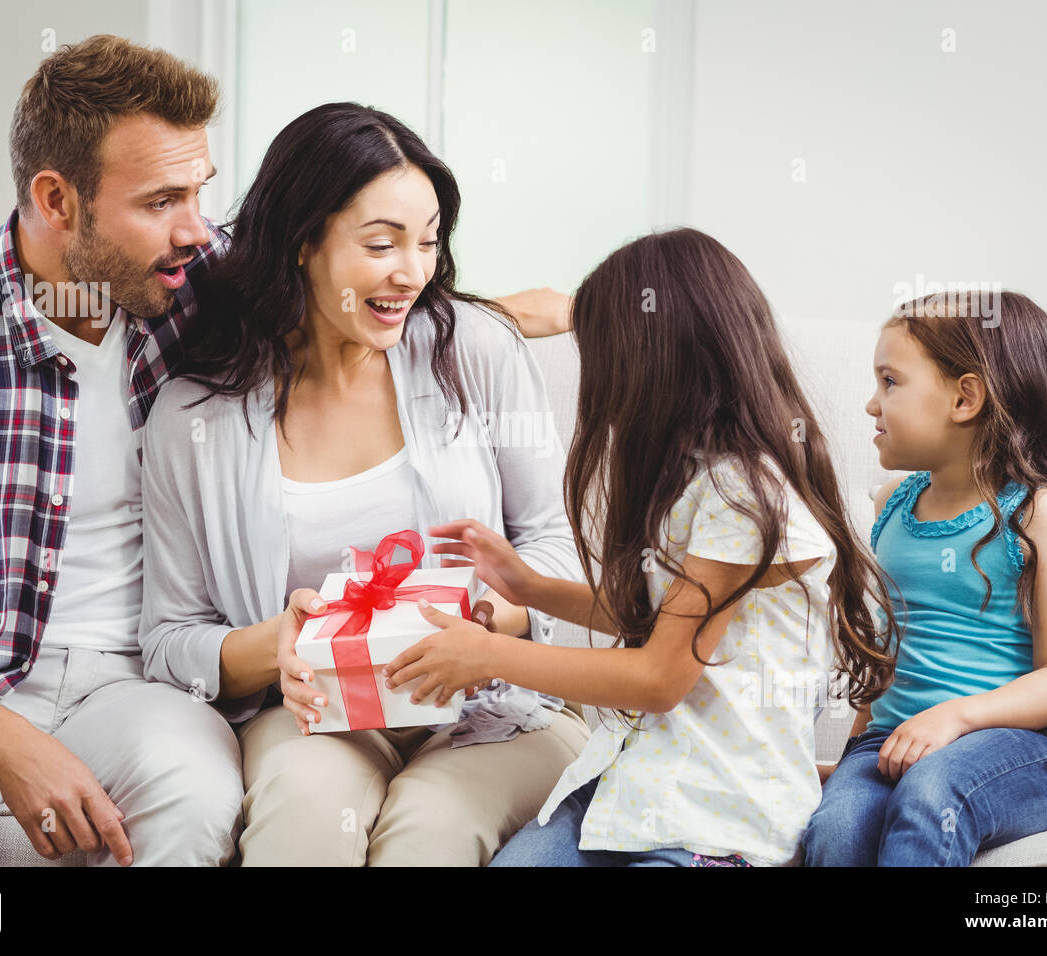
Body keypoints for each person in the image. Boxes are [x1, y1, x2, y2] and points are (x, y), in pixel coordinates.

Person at [0, 35, 568, 867]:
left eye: (200, 192)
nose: (196, 229)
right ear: (57, 200)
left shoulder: (190, 278)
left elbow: (357, 290)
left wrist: (484, 318)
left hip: (133, 682)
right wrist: (12, 744)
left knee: (198, 794)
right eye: (160, 201)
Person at [138, 101, 592, 867]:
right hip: (317, 711)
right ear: (302, 243)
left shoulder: (476, 349)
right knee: (305, 818)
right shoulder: (196, 415)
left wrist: (487, 621)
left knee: (429, 827)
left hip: (492, 699)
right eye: (381, 244)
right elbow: (169, 639)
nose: (411, 272)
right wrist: (279, 643)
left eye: (428, 242)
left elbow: (555, 541)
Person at [383, 228, 900, 866]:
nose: (597, 374)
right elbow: (660, 618)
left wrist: (487, 655)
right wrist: (529, 588)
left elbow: (658, 677)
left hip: (714, 819)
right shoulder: (697, 475)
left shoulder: (745, 494)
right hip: (627, 789)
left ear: (655, 360)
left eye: (602, 352)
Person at [802, 290, 1047, 866]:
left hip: (1020, 751)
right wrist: (852, 760)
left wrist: (954, 716)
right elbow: (890, 649)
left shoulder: (1040, 515)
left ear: (965, 397)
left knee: (931, 793)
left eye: (890, 382)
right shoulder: (890, 508)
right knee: (835, 827)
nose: (871, 405)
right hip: (891, 744)